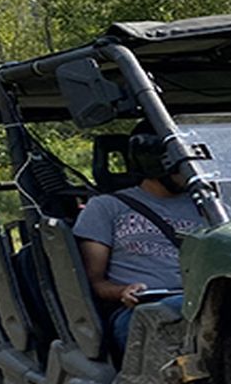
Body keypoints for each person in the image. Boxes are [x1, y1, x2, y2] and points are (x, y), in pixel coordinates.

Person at [74, 151, 201, 354]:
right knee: (178, 311)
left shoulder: (207, 206)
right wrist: (123, 291)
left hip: (204, 301)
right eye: (184, 167)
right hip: (140, 311)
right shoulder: (106, 207)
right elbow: (94, 282)